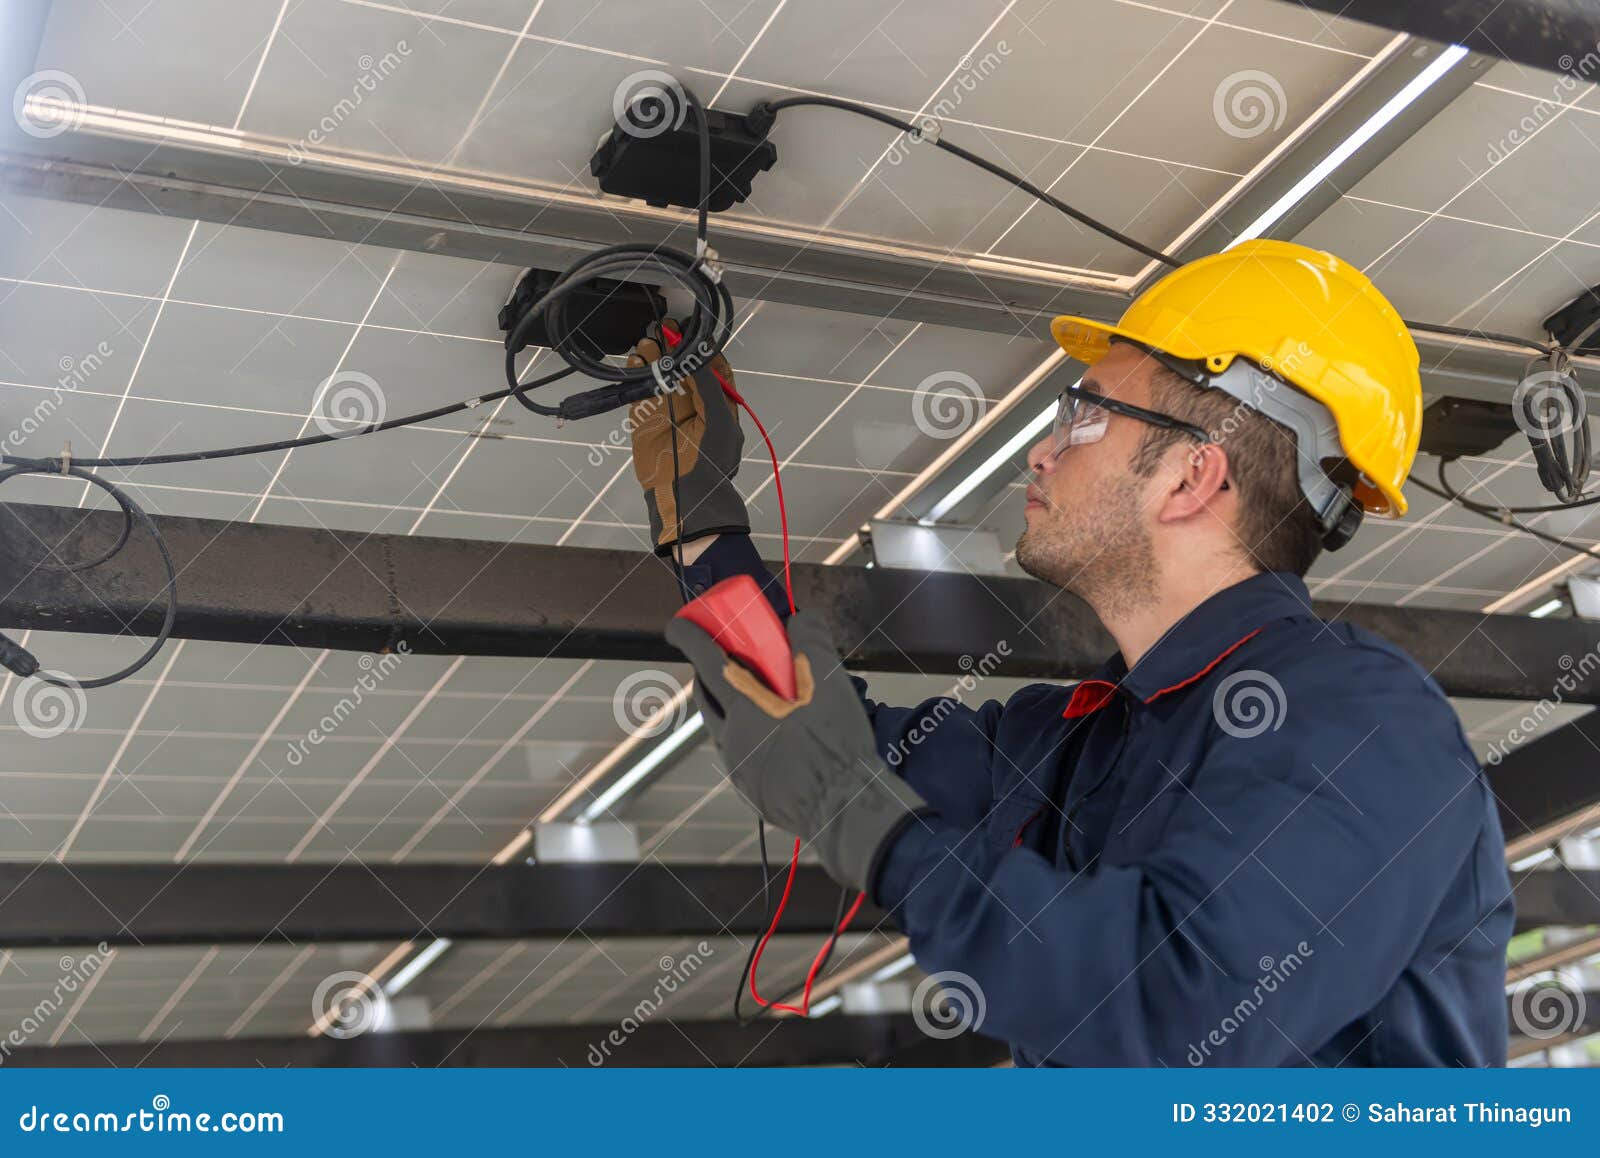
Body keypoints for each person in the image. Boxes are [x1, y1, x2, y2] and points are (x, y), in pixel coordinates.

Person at [631, 240, 1513, 1066]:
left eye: (1082, 417)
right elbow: (820, 733)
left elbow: (1178, 1012)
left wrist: (863, 822)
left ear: (1191, 476)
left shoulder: (1363, 720)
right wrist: (702, 521)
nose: (1041, 452)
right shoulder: (1076, 740)